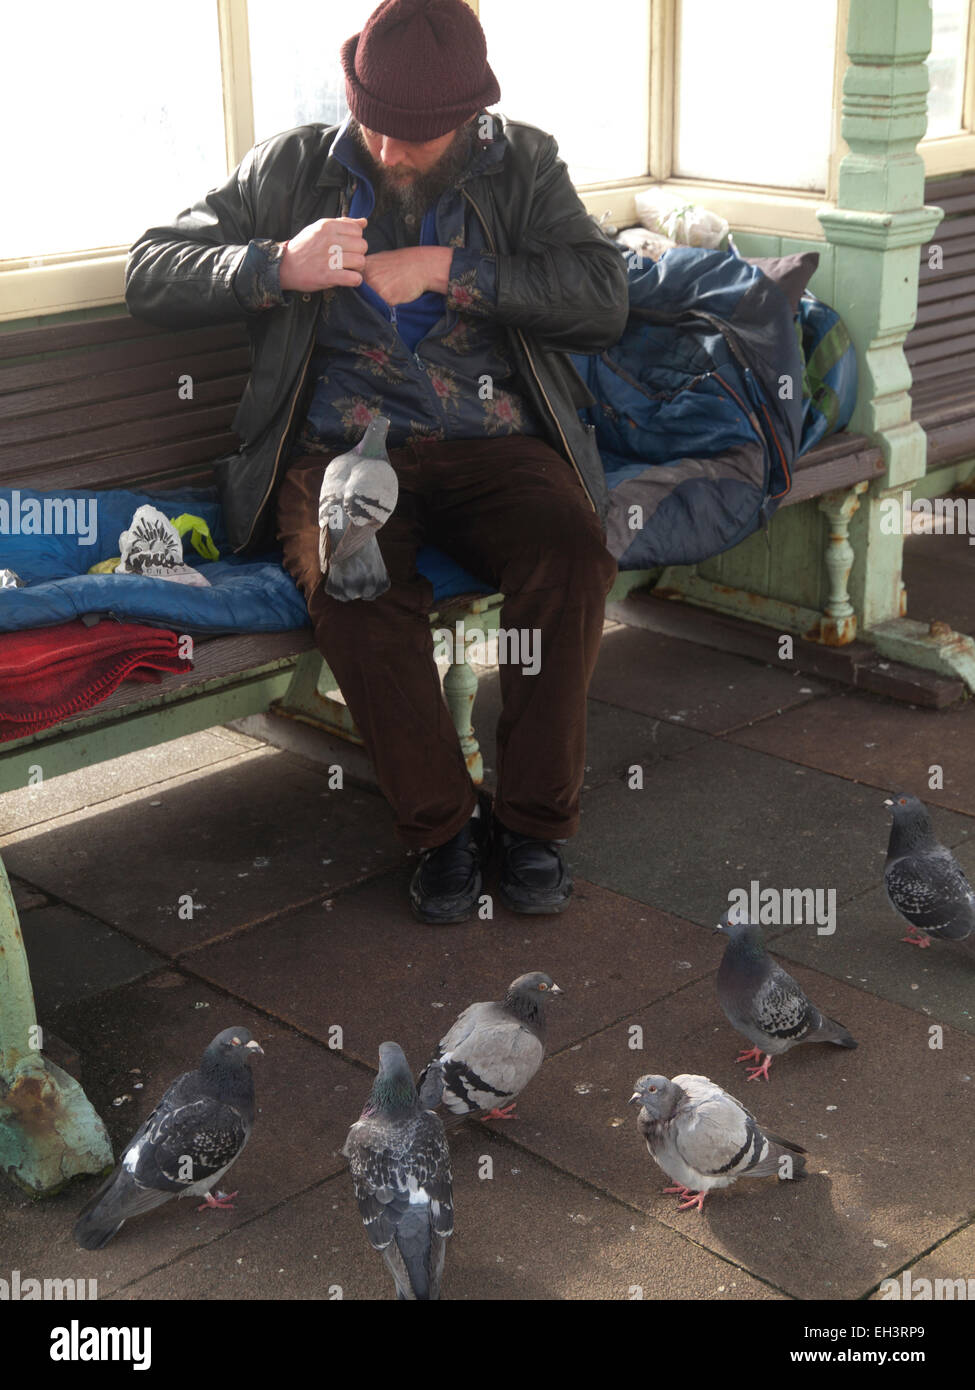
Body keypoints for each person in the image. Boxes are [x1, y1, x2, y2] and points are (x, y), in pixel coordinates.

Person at [126, 0, 628, 925]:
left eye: (419, 137)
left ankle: (532, 826)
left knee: (572, 554)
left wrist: (449, 266)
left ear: (469, 116)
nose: (394, 151)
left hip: (492, 444)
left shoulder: (525, 163)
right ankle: (441, 830)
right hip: (338, 455)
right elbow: (149, 269)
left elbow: (602, 297)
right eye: (378, 126)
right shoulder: (290, 167)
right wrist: (273, 262)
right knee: (353, 584)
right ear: (352, 94)